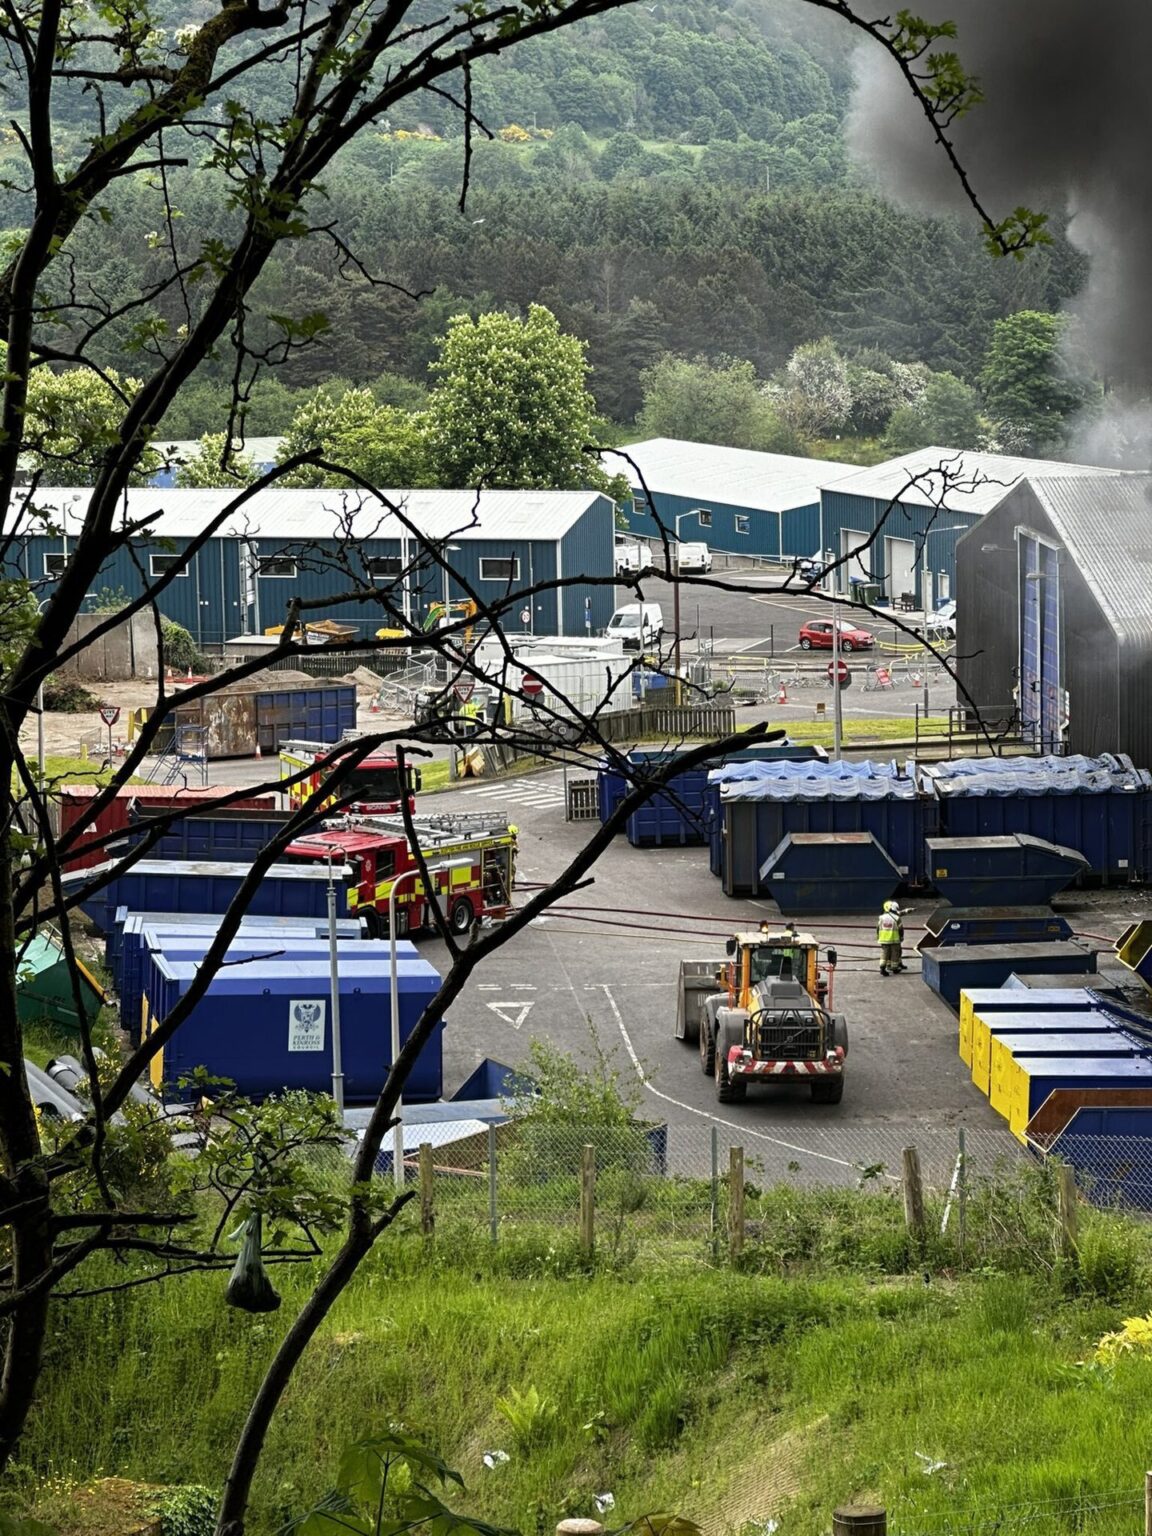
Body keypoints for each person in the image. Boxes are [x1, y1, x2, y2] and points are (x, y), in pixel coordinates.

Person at [877, 900, 905, 976]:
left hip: (883, 939)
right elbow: (900, 929)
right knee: (895, 954)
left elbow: (878, 928)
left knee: (884, 953)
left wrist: (878, 937)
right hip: (894, 939)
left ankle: (882, 968)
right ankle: (894, 968)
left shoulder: (881, 917)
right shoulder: (897, 918)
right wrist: (901, 937)